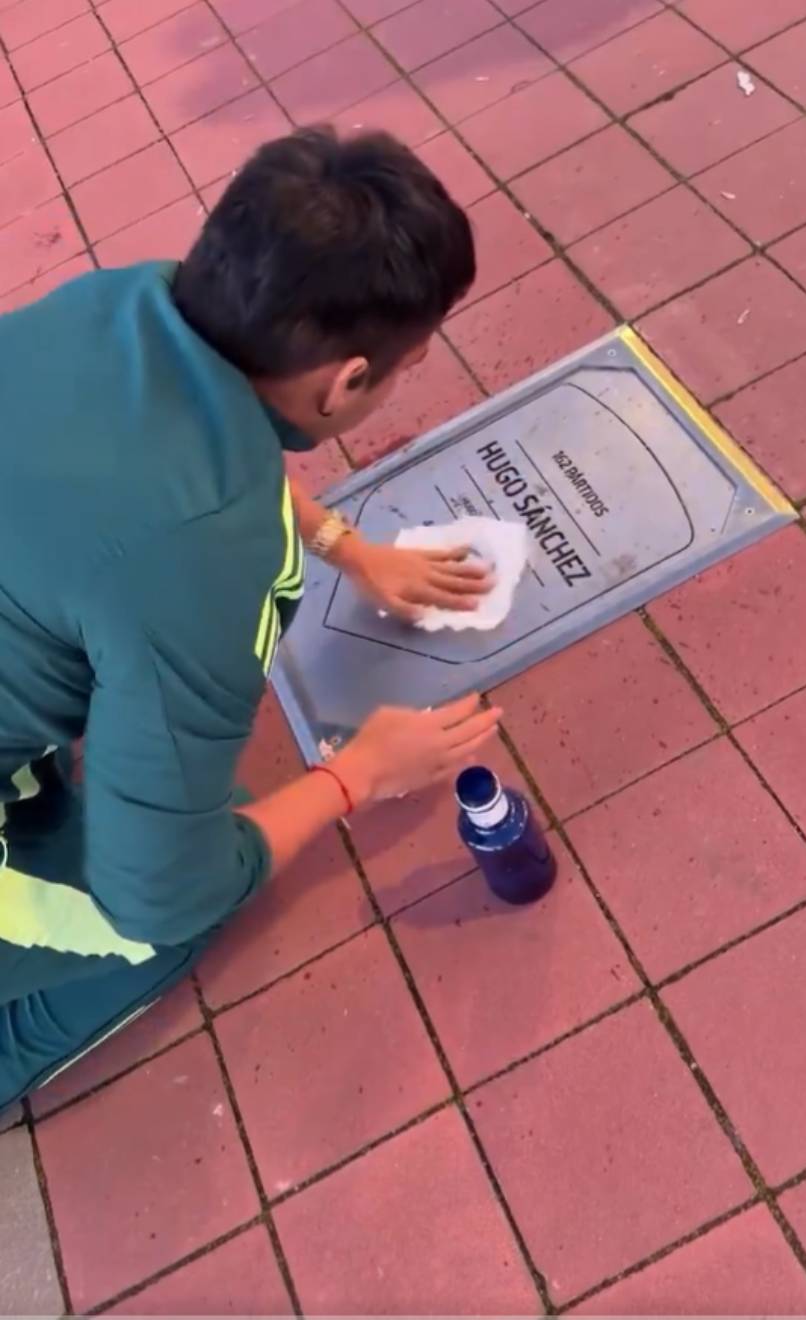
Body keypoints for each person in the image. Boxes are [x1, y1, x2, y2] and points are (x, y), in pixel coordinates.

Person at [0, 127, 508, 1107]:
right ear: (347, 380)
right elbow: (162, 889)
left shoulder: (116, 305)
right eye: (403, 366)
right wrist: (356, 777)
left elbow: (194, 451)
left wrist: (348, 547)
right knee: (180, 898)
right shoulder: (205, 559)